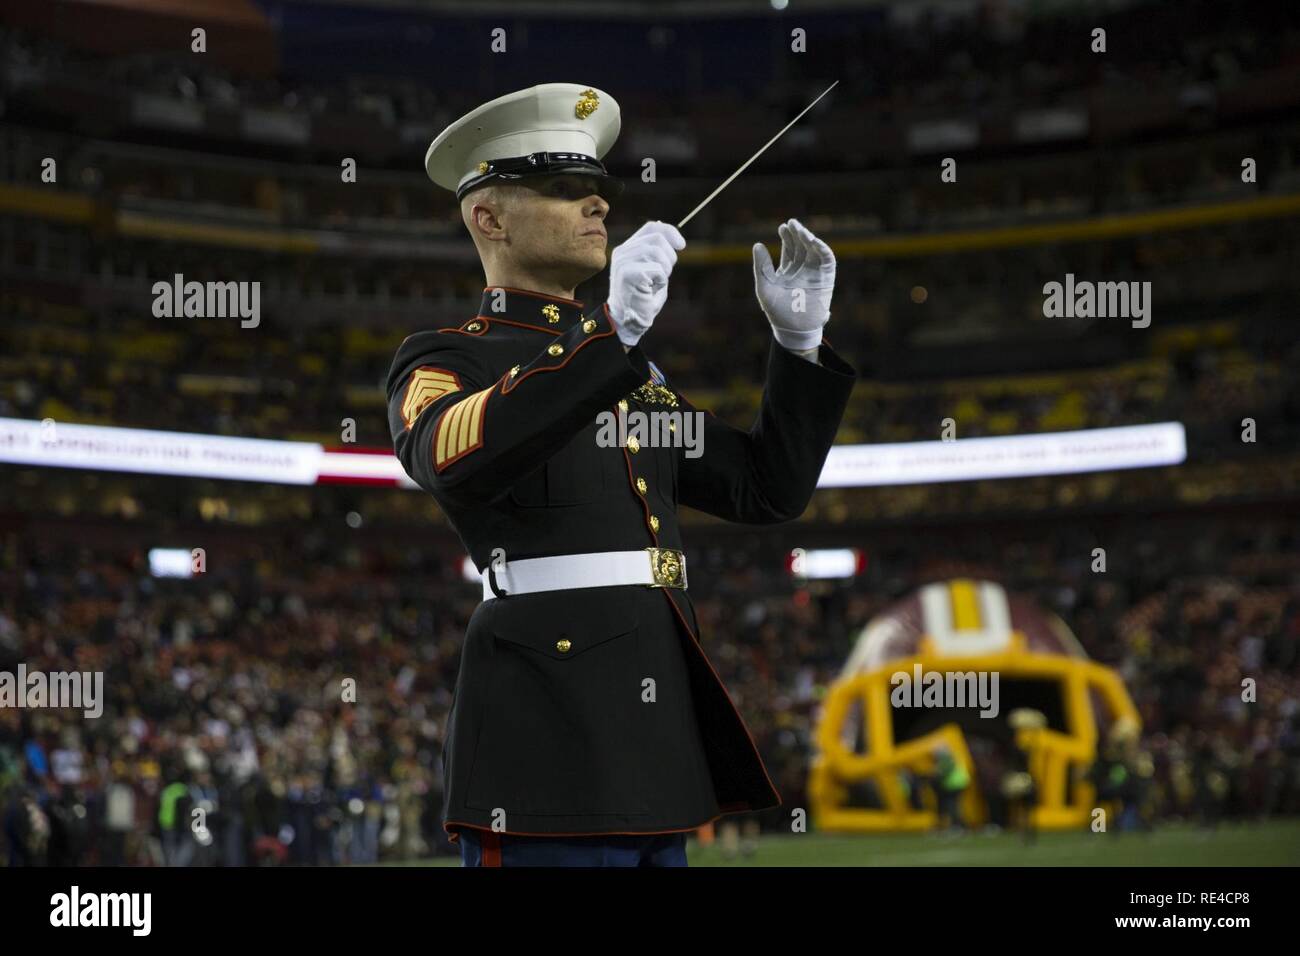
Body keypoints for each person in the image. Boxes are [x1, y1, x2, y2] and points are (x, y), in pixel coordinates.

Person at [387, 83, 856, 866]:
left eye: (600, 190)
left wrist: (799, 347)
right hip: (544, 736)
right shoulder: (444, 358)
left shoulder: (628, 370)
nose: (598, 206)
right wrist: (610, 333)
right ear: (488, 217)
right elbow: (450, 458)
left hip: (657, 729)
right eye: (565, 190)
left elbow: (762, 488)